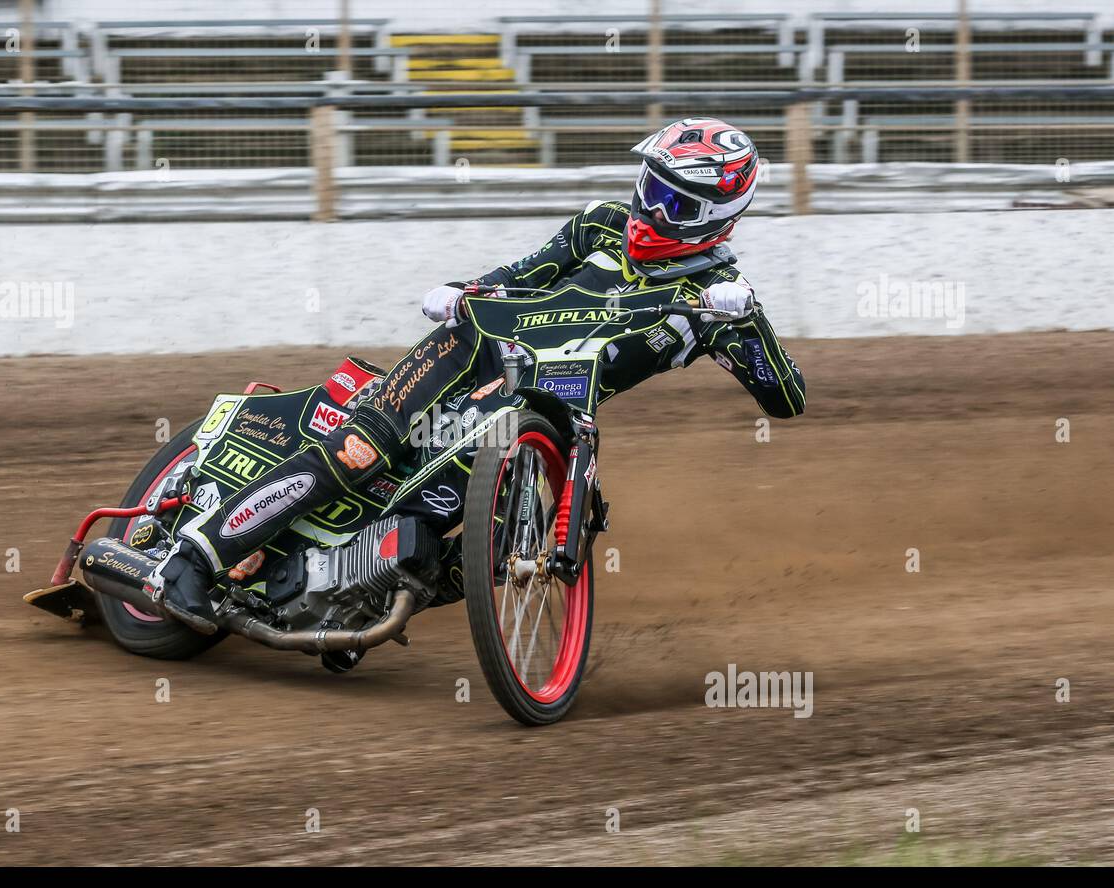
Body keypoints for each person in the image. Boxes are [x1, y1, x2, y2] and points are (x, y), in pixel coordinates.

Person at [156, 117, 806, 634]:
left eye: (672, 201)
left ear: (715, 216)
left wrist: (745, 327)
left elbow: (787, 397)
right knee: (358, 450)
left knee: (488, 541)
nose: (648, 207)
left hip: (546, 403)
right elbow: (519, 276)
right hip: (471, 348)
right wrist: (465, 291)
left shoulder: (723, 295)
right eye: (648, 186)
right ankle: (193, 559)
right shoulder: (600, 225)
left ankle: (355, 588)